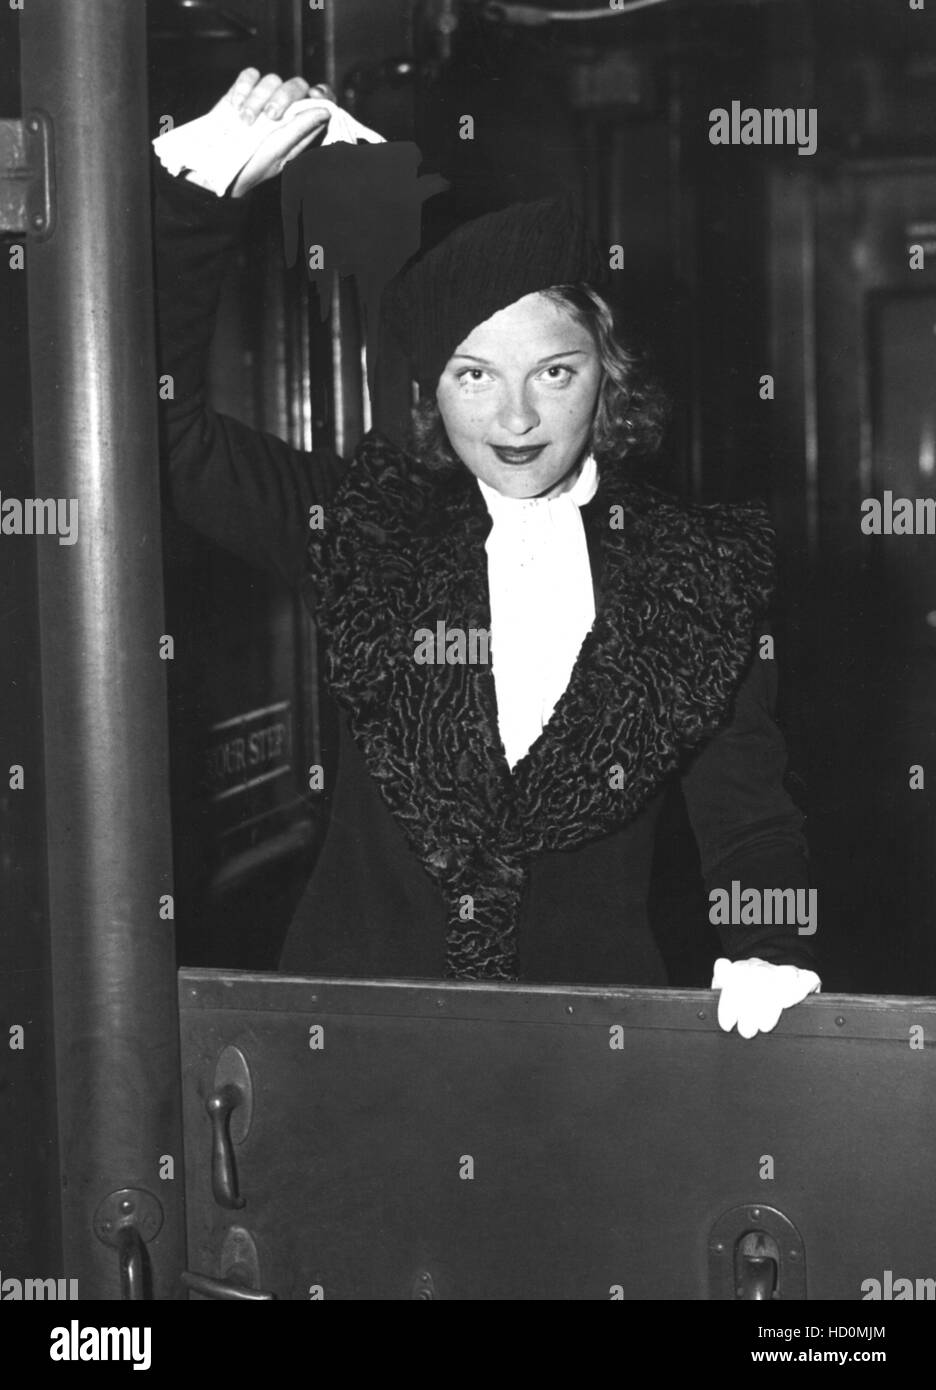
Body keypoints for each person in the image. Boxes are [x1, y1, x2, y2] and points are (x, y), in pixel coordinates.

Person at [152, 69, 821, 1038]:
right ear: (432, 391)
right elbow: (170, 442)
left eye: (554, 371)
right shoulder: (355, 526)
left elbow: (753, 826)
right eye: (475, 375)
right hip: (354, 1068)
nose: (516, 418)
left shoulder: (698, 572)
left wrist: (773, 953)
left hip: (590, 1075)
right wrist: (195, 199)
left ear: (608, 368)